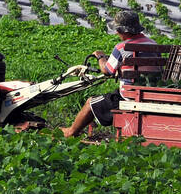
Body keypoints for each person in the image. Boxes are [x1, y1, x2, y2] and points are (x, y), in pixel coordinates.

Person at [61, 11, 152, 139]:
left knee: (90, 102)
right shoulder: (151, 43)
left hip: (129, 94)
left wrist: (101, 56)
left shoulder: (122, 47)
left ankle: (71, 132)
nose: (116, 33)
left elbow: (106, 70)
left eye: (118, 30)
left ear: (124, 31)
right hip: (148, 91)